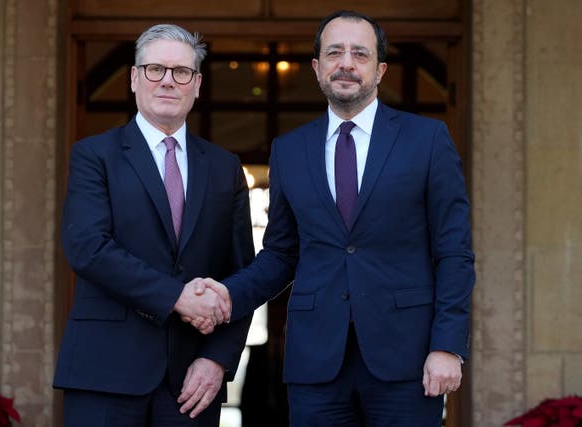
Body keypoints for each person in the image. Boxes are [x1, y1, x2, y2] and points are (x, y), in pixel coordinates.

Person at [191, 10, 476, 426]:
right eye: (334, 52)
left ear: (379, 70)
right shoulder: (289, 150)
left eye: (359, 54)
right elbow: (281, 254)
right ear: (316, 67)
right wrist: (228, 296)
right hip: (316, 364)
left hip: (407, 359)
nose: (346, 63)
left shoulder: (427, 140)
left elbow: (454, 252)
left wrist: (447, 345)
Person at [53, 23, 255, 427]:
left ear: (196, 84)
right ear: (133, 78)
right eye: (154, 69)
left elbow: (241, 276)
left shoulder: (224, 167)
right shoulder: (94, 155)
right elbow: (88, 248)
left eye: (181, 72)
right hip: (105, 371)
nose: (167, 81)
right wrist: (176, 297)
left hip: (192, 381)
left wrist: (217, 358)